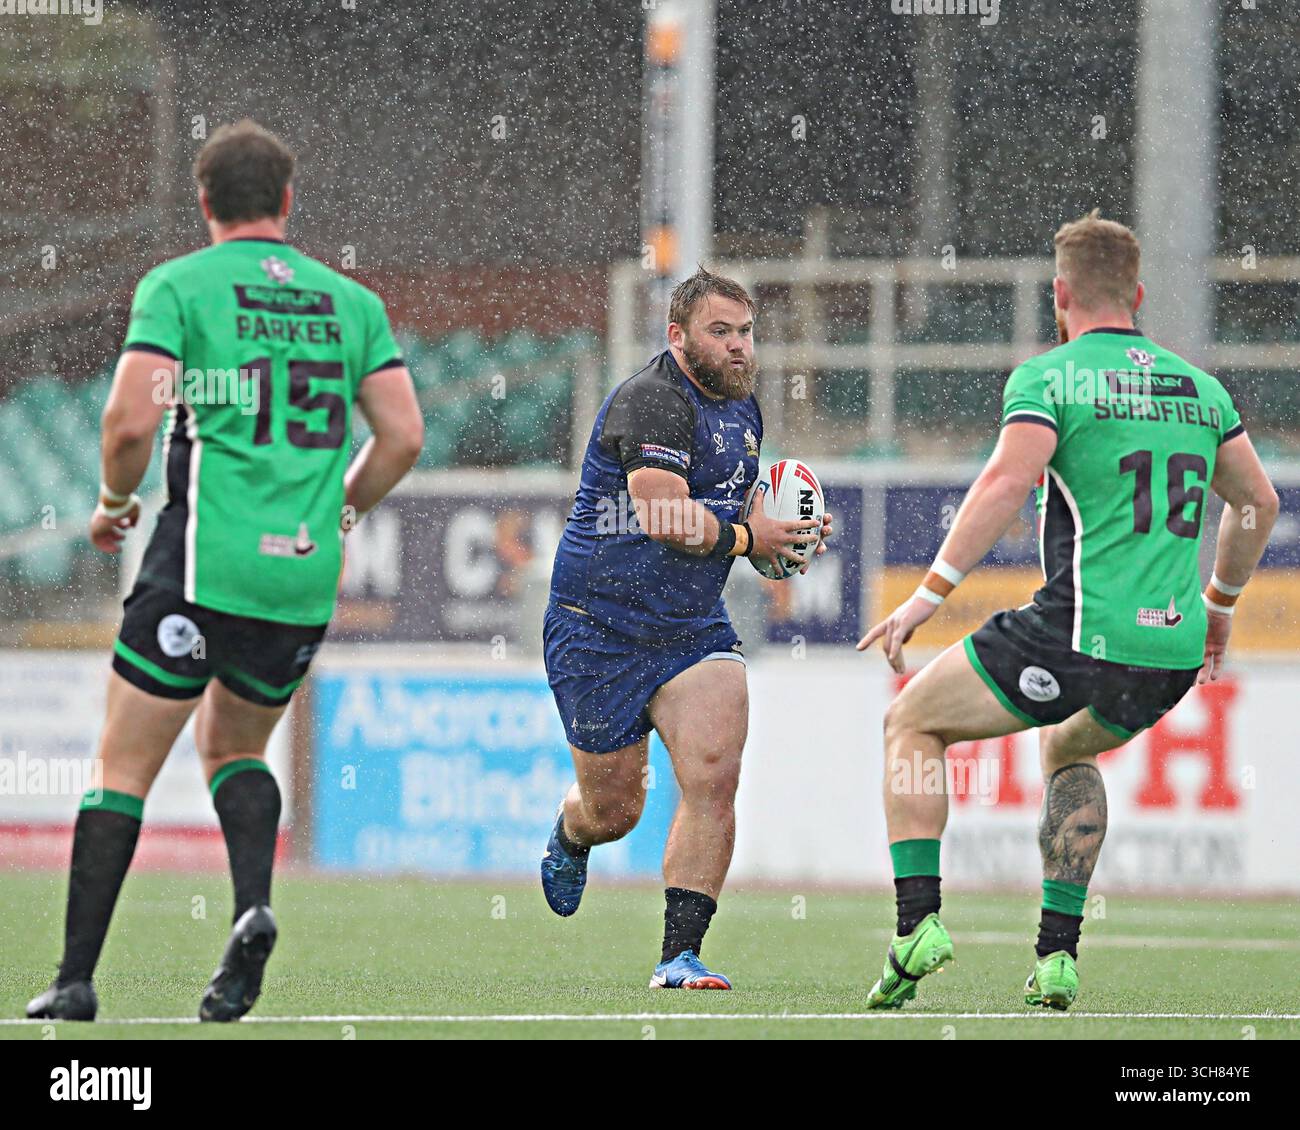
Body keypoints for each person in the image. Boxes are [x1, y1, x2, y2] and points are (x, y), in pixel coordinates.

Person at [27, 119, 423, 1022]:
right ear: (287, 203)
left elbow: (130, 423)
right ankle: (250, 906)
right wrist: (344, 507)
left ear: (204, 204)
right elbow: (402, 435)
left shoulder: (180, 286)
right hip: (298, 576)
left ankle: (77, 978)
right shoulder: (350, 303)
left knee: (123, 767)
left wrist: (112, 504)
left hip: (199, 565)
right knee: (235, 748)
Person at [858, 211, 1278, 1011]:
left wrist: (927, 594)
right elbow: (1255, 500)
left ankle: (917, 923)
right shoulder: (1200, 387)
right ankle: (1056, 956)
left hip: (1078, 628)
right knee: (1067, 752)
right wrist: (1219, 602)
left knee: (911, 721)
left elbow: (1005, 484)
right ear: (1139, 293)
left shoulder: (1050, 377)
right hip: (1172, 650)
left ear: (1060, 295)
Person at [540, 266, 832, 988]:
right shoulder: (650, 401)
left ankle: (679, 955)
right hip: (595, 627)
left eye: (747, 332)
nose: (740, 347)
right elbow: (665, 516)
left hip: (692, 629)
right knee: (616, 810)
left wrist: (787, 536)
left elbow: (745, 518)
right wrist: (749, 538)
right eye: (721, 332)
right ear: (678, 338)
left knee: (713, 774)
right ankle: (572, 831)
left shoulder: (746, 410)